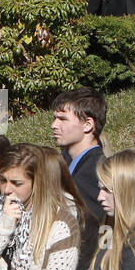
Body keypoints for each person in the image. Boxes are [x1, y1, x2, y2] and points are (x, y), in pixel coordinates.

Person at [52, 87, 109, 219]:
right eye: (55, 118)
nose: (54, 125)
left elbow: (87, 226)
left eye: (63, 119)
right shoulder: (66, 160)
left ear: (88, 125)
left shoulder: (93, 172)